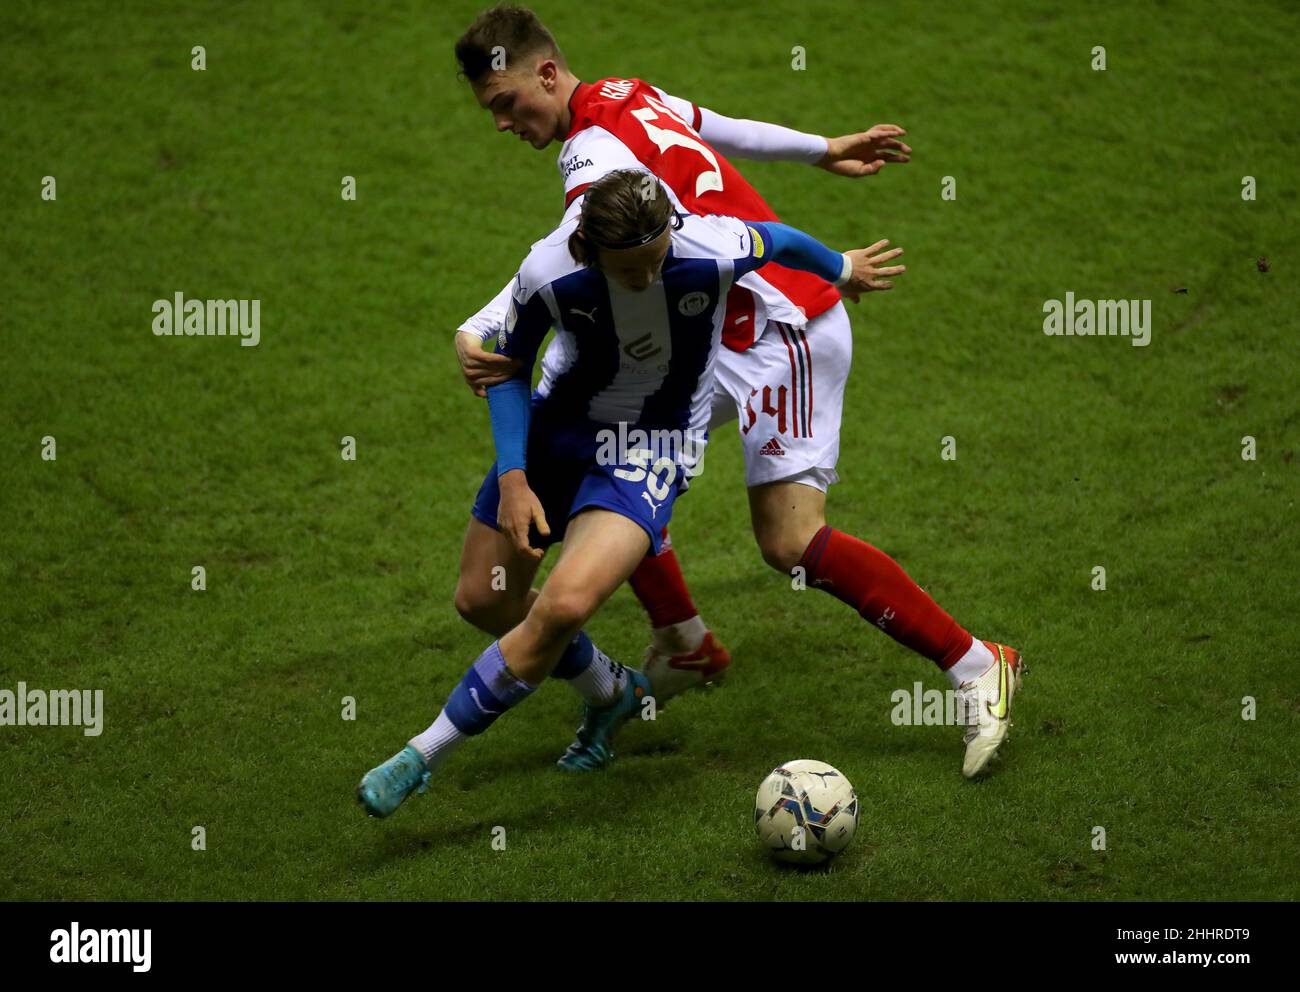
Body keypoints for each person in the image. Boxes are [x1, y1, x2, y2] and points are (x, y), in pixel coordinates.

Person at [451, 6, 1023, 779]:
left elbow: (575, 256)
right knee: (606, 426)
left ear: (545, 74)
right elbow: (717, 125)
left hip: (779, 330)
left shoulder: (588, 153)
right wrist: (824, 150)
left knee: (788, 542)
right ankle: (684, 643)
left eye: (505, 103)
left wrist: (485, 324)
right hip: (717, 325)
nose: (502, 123)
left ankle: (977, 663)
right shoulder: (624, 91)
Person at [358, 170, 896, 816]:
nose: (647, 278)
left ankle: (421, 755)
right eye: (630, 270)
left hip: (651, 451)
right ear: (588, 249)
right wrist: (514, 477)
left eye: (656, 260)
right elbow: (508, 366)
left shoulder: (710, 246)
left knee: (562, 606)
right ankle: (610, 691)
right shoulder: (549, 271)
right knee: (484, 598)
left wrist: (842, 267)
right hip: (557, 437)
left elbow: (779, 241)